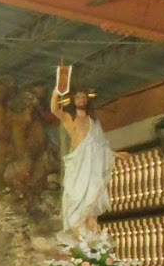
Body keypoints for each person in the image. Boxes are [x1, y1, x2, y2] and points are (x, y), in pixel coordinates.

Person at [51, 87, 120, 235]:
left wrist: (116, 154)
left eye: (83, 97)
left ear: (87, 101)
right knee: (76, 198)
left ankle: (91, 237)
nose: (81, 100)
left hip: (92, 165)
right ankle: (77, 234)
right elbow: (54, 110)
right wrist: (57, 91)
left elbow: (100, 145)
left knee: (92, 196)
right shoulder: (70, 118)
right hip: (77, 162)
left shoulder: (93, 122)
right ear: (74, 101)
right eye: (78, 97)